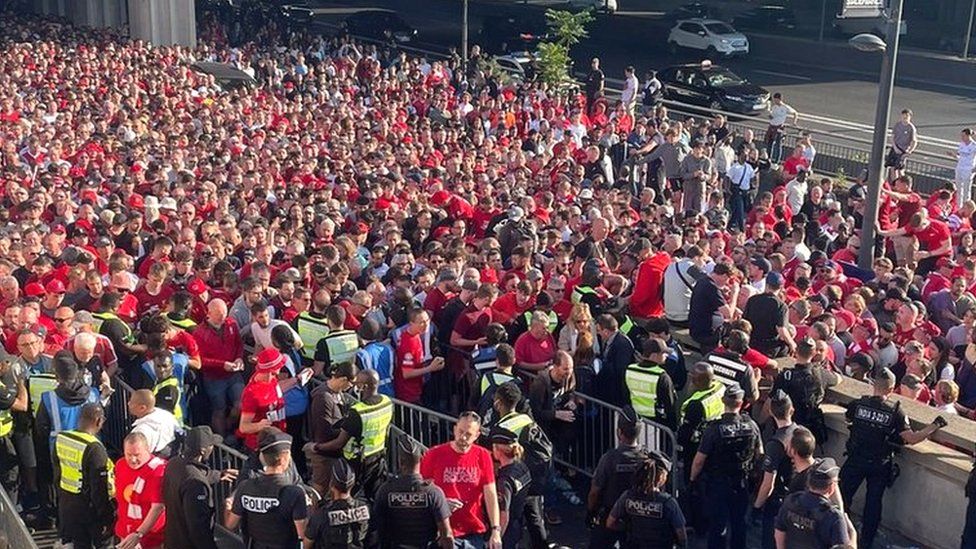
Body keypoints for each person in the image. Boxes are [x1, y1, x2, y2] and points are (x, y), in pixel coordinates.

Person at [840, 368, 946, 549]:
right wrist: (934, 425)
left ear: (873, 385)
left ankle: (840, 533)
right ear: (892, 389)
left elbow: (848, 418)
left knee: (841, 498)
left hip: (855, 458)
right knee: (873, 504)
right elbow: (911, 438)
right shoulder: (895, 412)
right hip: (879, 463)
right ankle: (866, 542)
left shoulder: (858, 404)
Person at [690, 384, 763, 549]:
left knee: (718, 524)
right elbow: (760, 454)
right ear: (742, 402)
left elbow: (699, 460)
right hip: (742, 481)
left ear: (723, 401)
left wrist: (693, 479)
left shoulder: (714, 429)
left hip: (718, 482)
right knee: (739, 522)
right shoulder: (752, 426)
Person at [421, 412, 503, 549]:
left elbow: (491, 494)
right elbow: (422, 492)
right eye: (460, 431)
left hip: (473, 532)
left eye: (469, 434)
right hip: (442, 532)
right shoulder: (434, 454)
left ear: (477, 435)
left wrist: (496, 530)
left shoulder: (483, 456)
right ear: (454, 429)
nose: (463, 437)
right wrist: (441, 503)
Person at [309, 368, 393, 499]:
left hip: (356, 462)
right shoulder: (386, 401)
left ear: (363, 386)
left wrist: (315, 447)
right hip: (378, 458)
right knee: (374, 496)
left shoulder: (358, 412)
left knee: (347, 497)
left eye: (357, 384)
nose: (355, 387)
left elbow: (339, 443)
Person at [489, 383, 551, 549]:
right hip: (534, 477)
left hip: (514, 481)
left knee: (512, 521)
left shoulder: (501, 429)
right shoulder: (526, 418)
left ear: (498, 402)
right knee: (535, 519)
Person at [226, 428, 309, 548]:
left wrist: (227, 506)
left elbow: (230, 523)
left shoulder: (246, 486)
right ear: (283, 459)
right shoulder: (294, 493)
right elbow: (303, 533)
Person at [372, 435, 455, 549]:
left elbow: (378, 528)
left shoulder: (386, 490)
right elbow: (446, 535)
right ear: (421, 459)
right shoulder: (433, 493)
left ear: (400, 462)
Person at [52, 403, 115, 549]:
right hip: (88, 509)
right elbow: (98, 489)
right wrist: (106, 517)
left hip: (67, 504)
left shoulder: (61, 438)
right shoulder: (95, 448)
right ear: (99, 421)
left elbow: (57, 473)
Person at [163, 426, 235, 549]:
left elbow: (194, 473)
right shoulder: (195, 484)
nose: (213, 448)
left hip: (172, 540)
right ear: (203, 450)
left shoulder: (173, 464)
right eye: (211, 445)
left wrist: (219, 474)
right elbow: (198, 527)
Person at [586, 405, 648, 548]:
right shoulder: (646, 459)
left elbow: (595, 491)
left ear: (619, 432)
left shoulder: (609, 458)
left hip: (608, 518)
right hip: (637, 519)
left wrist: (590, 512)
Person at [606, 452, 687, 549]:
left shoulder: (627, 496)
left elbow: (610, 523)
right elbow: (681, 534)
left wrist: (628, 528)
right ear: (661, 477)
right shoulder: (668, 502)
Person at [771, 337, 840, 445]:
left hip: (787, 429)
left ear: (796, 351)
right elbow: (838, 379)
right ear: (813, 353)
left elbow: (771, 401)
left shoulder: (786, 375)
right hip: (809, 431)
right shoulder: (821, 374)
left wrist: (760, 422)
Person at [752, 390, 798, 549]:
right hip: (796, 497)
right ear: (792, 410)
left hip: (778, 501)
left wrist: (756, 507)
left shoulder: (776, 443)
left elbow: (768, 484)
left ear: (770, 411)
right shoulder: (800, 433)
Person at [774, 458, 851, 549]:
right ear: (831, 488)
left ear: (808, 482)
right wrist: (853, 537)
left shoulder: (791, 500)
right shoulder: (834, 517)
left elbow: (779, 532)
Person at [306, 362, 356, 496]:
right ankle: (313, 514)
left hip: (331, 450)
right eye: (351, 384)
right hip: (323, 453)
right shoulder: (323, 397)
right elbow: (323, 431)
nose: (350, 388)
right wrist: (345, 432)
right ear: (344, 379)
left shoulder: (337, 393)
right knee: (320, 488)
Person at [114, 432, 167, 549]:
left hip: (151, 539)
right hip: (126, 534)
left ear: (147, 450)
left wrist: (138, 534)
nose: (132, 460)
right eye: (128, 454)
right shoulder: (120, 465)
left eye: (137, 455)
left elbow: (158, 507)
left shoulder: (158, 470)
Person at [304, 459, 371, 549]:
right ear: (353, 484)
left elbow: (307, 545)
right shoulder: (366, 509)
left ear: (331, 485)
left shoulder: (321, 515)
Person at [238, 348, 289, 467]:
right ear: (272, 370)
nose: (281, 368)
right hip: (261, 448)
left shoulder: (272, 380)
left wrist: (298, 380)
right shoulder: (252, 393)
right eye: (280, 366)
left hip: (277, 440)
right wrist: (259, 425)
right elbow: (243, 427)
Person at [489, 426, 533, 549]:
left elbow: (504, 514)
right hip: (518, 521)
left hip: (507, 529)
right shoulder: (521, 466)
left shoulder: (504, 481)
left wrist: (498, 536)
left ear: (498, 450)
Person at [623, 338, 677, 430]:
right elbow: (669, 404)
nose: (666, 356)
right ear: (654, 355)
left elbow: (625, 394)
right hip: (656, 423)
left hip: (634, 419)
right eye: (663, 353)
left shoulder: (629, 369)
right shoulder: (662, 376)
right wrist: (673, 427)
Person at [742, 271, 795, 358]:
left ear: (766, 284)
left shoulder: (752, 300)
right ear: (781, 287)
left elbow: (744, 322)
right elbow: (781, 330)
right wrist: (792, 343)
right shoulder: (781, 306)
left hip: (750, 344)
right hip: (769, 349)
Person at [704, 329, 759, 407]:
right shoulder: (745, 369)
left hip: (707, 403)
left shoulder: (710, 357)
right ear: (745, 349)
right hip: (729, 408)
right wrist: (756, 380)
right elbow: (752, 398)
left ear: (726, 344)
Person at [595, 314, 634, 407]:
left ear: (606, 331)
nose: (598, 333)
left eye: (598, 330)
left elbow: (621, 369)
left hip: (617, 392)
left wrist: (604, 367)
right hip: (610, 388)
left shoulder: (622, 344)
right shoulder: (609, 340)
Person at [128, 389, 180, 456]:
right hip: (171, 458)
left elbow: (137, 457)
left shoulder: (140, 432)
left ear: (142, 408)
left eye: (131, 402)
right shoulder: (168, 416)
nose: (128, 403)